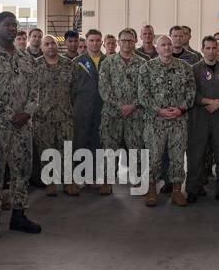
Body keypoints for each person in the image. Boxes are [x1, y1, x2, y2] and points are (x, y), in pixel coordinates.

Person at [0, 11, 40, 238]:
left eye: (15, 25)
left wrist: (27, 113)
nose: (12, 28)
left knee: (22, 171)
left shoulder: (26, 59)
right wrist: (11, 115)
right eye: (8, 25)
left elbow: (35, 91)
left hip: (23, 127)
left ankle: (18, 215)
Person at [138, 34, 195, 207]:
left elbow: (191, 92)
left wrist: (181, 108)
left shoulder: (185, 67)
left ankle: (177, 190)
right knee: (154, 157)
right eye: (163, 45)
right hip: (156, 122)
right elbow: (143, 95)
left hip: (178, 121)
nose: (167, 47)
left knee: (178, 157)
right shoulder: (147, 68)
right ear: (156, 48)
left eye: (169, 44)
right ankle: (151, 190)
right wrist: (159, 111)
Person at [186, 35, 219, 203]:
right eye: (207, 48)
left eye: (213, 48)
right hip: (199, 117)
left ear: (218, 50)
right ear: (202, 50)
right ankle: (193, 190)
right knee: (196, 155)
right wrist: (209, 102)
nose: (211, 51)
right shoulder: (194, 69)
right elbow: (191, 93)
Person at [97, 27, 145, 197]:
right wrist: (120, 106)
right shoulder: (108, 63)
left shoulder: (142, 64)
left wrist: (133, 105)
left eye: (130, 40)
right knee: (109, 148)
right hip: (112, 114)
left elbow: (146, 90)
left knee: (136, 147)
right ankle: (107, 181)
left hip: (135, 114)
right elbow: (104, 88)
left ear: (135, 42)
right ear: (118, 43)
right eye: (123, 40)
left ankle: (137, 176)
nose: (126, 43)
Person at [32, 33, 79, 196]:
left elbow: (74, 90)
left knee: (67, 149)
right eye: (47, 44)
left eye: (53, 43)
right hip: (42, 117)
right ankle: (50, 182)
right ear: (41, 47)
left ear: (58, 46)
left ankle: (68, 181)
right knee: (46, 150)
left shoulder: (69, 65)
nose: (51, 46)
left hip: (64, 115)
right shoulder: (34, 66)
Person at [71, 29, 103, 175]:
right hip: (82, 108)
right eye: (91, 40)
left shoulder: (109, 61)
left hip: (102, 108)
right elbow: (70, 87)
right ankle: (79, 174)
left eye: (97, 40)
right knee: (80, 141)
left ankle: (97, 175)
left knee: (99, 142)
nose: (94, 43)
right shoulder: (77, 62)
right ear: (86, 42)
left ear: (101, 42)